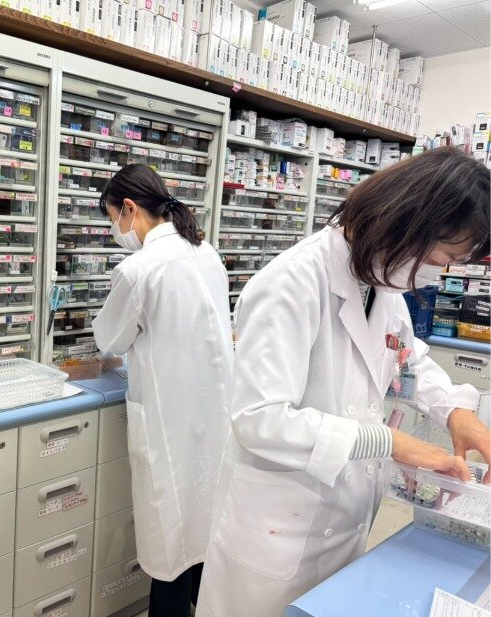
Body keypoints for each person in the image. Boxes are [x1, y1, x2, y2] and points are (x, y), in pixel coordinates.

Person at [195, 147, 491, 617]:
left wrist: (455, 410)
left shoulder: (380, 282)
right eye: (447, 256)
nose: (443, 271)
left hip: (345, 521)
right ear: (412, 221)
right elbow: (259, 419)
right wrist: (391, 442)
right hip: (276, 534)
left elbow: (407, 357)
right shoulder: (292, 281)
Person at [92, 164, 233, 617]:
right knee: (203, 536)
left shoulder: (139, 268)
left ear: (129, 209)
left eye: (113, 219)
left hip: (169, 424)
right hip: (213, 419)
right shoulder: (206, 252)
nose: (116, 230)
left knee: (171, 547)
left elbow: (110, 340)